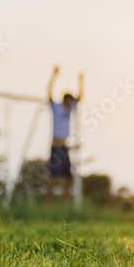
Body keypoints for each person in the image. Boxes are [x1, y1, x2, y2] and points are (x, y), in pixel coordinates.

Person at [46, 66, 82, 205]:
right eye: (69, 101)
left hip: (65, 148)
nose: (71, 103)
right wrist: (54, 75)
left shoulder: (71, 109)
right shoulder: (57, 108)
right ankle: (48, 205)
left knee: (68, 179)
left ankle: (64, 206)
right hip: (56, 147)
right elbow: (49, 92)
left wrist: (80, 80)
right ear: (64, 101)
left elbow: (80, 97)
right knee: (53, 178)